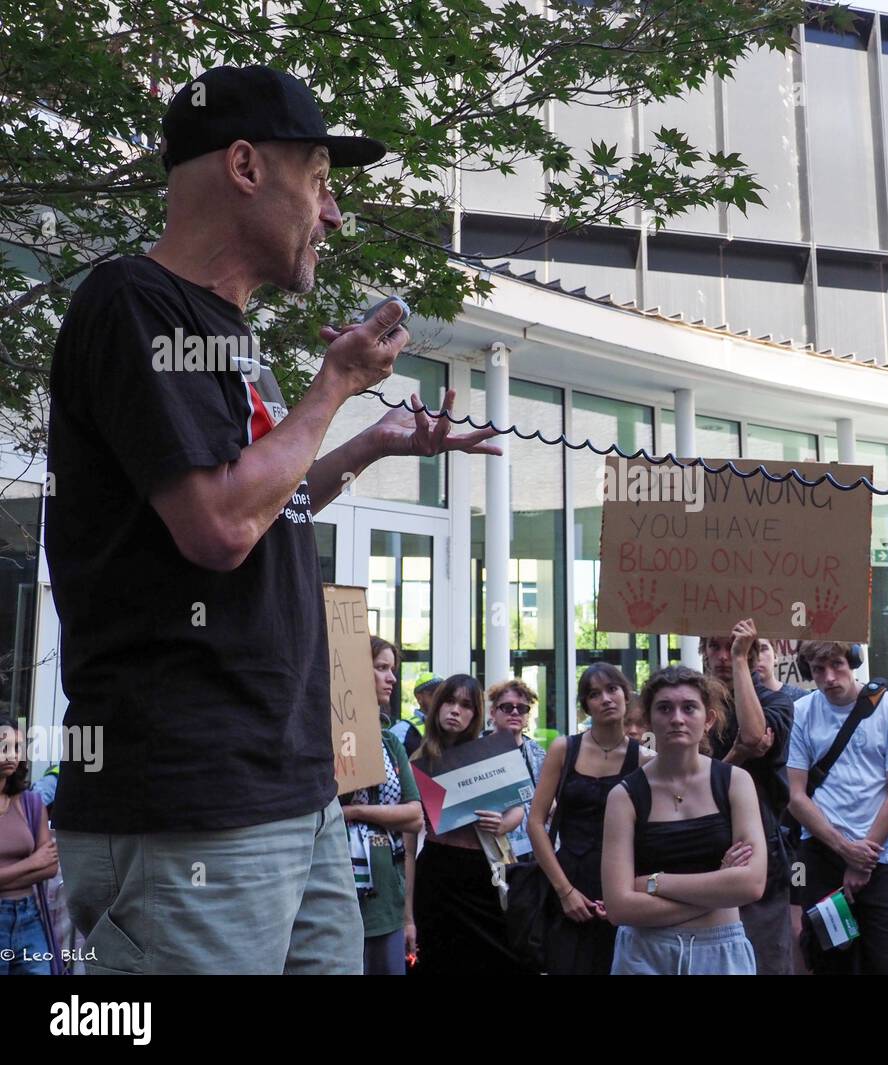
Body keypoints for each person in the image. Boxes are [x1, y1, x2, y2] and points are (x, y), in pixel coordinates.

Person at [44, 65, 501, 975]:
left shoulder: (232, 338)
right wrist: (333, 386)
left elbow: (264, 507)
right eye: (322, 182)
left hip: (297, 794)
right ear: (246, 166)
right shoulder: (131, 302)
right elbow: (217, 526)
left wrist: (366, 447)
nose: (332, 215)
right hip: (191, 809)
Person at [602, 666, 767, 975]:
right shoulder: (624, 796)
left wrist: (654, 882)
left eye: (689, 707)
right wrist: (720, 889)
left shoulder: (735, 782)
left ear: (709, 720)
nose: (677, 718)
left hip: (721, 953)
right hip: (644, 955)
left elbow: (752, 883)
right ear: (650, 720)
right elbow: (619, 907)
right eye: (665, 708)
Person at [786, 641, 888, 975]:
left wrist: (863, 858)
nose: (829, 677)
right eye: (818, 670)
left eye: (837, 666)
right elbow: (796, 796)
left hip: (880, 861)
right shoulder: (802, 712)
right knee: (831, 959)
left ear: (854, 662)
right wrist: (845, 849)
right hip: (822, 858)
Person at [526, 663, 653, 974]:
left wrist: (629, 895)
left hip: (621, 885)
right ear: (586, 706)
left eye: (612, 690)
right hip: (567, 879)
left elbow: (649, 834)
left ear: (626, 695)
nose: (606, 699)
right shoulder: (564, 749)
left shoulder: (645, 759)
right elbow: (535, 822)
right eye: (595, 694)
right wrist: (564, 891)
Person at [409, 675, 528, 976]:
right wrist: (406, 914)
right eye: (449, 701)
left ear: (475, 714)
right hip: (436, 874)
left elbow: (519, 809)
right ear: (436, 706)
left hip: (485, 870)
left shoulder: (490, 752)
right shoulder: (419, 759)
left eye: (465, 705)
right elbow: (409, 844)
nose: (455, 710)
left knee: (496, 958)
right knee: (438, 960)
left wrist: (501, 823)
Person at [702, 620, 796, 974]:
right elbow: (688, 780)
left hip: (758, 851)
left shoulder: (776, 701)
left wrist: (742, 660)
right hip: (702, 845)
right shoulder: (693, 708)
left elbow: (755, 737)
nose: (724, 656)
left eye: (733, 648)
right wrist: (735, 756)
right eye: (715, 647)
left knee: (765, 958)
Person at [340, 638, 424, 975]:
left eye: (393, 670)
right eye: (381, 668)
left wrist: (355, 813)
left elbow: (415, 816)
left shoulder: (390, 740)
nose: (391, 678)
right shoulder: (331, 736)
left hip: (387, 890)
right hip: (340, 886)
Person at [0, 717, 60, 975]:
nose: (12, 755)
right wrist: (30, 864)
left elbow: (50, 867)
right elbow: (40, 863)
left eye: (16, 747)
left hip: (29, 917)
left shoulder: (31, 803)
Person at [485, 678, 548, 859]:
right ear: (492, 712)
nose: (514, 712)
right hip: (492, 848)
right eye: (507, 707)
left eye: (521, 708)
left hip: (534, 851)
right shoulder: (478, 751)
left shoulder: (538, 754)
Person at [756, 637, 810, 707]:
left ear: (775, 656)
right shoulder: (737, 701)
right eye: (748, 651)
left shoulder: (803, 699)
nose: (757, 657)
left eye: (763, 649)